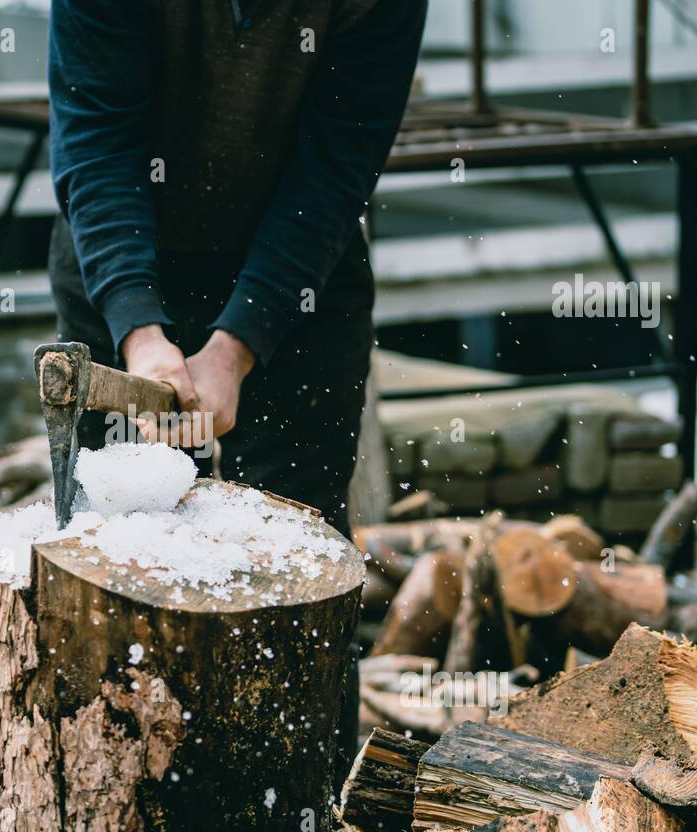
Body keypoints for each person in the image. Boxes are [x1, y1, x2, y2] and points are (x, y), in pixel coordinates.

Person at [48, 0, 427, 784]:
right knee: (116, 571)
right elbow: (96, 142)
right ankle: (111, 806)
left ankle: (300, 814)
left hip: (299, 282)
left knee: (300, 584)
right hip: (121, 261)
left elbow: (335, 168)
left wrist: (240, 343)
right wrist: (140, 334)